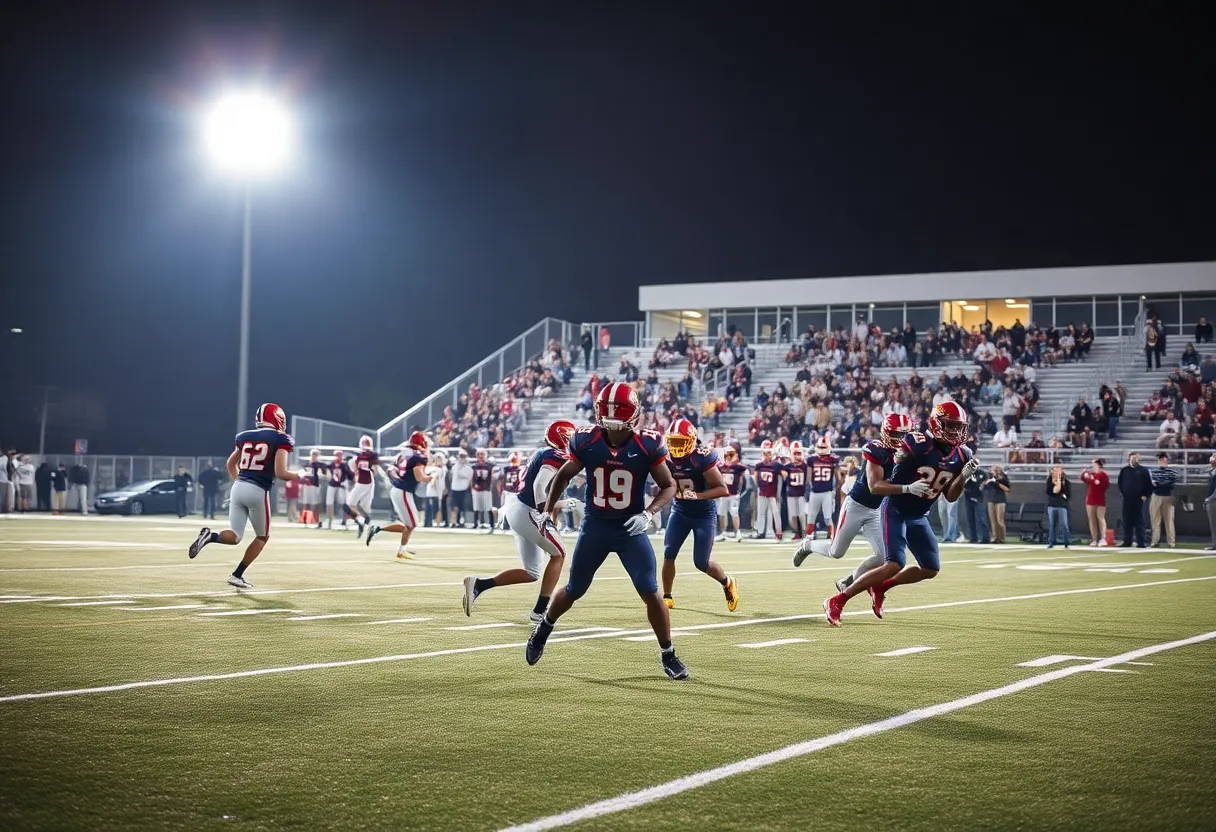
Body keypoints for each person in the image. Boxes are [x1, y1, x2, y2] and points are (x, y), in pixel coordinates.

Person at [525, 383, 686, 680]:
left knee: (650, 591)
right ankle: (543, 628)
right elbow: (564, 474)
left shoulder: (642, 444)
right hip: (597, 526)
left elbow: (668, 485)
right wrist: (548, 510)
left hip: (629, 529)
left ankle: (668, 653)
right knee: (575, 589)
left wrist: (647, 514)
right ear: (633, 414)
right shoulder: (589, 441)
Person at [824, 400, 974, 626]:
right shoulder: (917, 443)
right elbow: (886, 477)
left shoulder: (962, 454)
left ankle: (881, 586)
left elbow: (950, 496)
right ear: (936, 424)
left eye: (959, 427)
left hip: (919, 515)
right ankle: (837, 600)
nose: (956, 432)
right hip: (895, 509)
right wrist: (906, 484)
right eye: (951, 426)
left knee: (931, 568)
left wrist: (963, 477)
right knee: (894, 563)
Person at [463, 421, 578, 622]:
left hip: (517, 507)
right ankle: (540, 611)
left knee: (532, 572)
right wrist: (549, 508)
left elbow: (551, 488)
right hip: (528, 510)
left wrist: (552, 514)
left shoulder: (544, 452)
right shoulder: (557, 455)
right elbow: (539, 485)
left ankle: (479, 585)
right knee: (559, 554)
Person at [795, 414, 912, 593]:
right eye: (898, 435)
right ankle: (807, 545)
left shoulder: (905, 454)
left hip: (875, 510)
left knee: (883, 557)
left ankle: (848, 581)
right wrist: (907, 488)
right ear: (887, 433)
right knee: (836, 552)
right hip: (856, 506)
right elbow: (874, 487)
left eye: (905, 435)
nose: (901, 440)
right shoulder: (876, 449)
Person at [188, 403, 299, 588]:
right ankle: (237, 575)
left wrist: (240, 482)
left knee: (236, 535)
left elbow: (230, 465)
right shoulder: (281, 438)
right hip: (257, 490)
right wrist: (303, 475)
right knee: (262, 537)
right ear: (278, 418)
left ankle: (210, 537)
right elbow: (281, 473)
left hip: (238, 486)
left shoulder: (245, 437)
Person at [659, 418, 737, 611]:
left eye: (680, 442)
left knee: (701, 563)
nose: (676, 447)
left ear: (692, 441)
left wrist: (698, 495)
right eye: (673, 442)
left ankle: (727, 582)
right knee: (669, 553)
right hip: (680, 510)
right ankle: (667, 596)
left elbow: (722, 489)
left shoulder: (702, 457)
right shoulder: (665, 457)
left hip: (703, 513)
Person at [366, 432, 432, 559]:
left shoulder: (405, 454)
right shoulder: (418, 457)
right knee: (412, 523)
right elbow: (419, 476)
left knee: (409, 524)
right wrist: (429, 477)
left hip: (400, 490)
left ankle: (380, 532)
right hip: (403, 491)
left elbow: (393, 469)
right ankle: (401, 549)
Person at [345, 435, 379, 536]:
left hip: (363, 482)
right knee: (365, 507)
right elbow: (374, 471)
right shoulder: (366, 457)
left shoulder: (360, 457)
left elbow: (357, 471)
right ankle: (366, 525)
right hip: (369, 482)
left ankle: (361, 521)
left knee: (350, 503)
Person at [805, 438, 839, 538]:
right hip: (818, 492)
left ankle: (832, 535)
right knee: (812, 516)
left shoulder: (833, 459)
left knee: (827, 517)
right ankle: (809, 535)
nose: (822, 449)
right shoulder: (812, 459)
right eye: (820, 447)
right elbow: (838, 477)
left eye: (823, 447)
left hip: (825, 492)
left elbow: (808, 478)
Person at [1117, 452, 1152, 548]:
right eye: (1133, 457)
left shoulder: (1144, 470)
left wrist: (1145, 495)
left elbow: (1149, 484)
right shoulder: (1124, 470)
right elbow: (1120, 483)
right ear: (1129, 458)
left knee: (1139, 521)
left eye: (1136, 457)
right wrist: (1124, 493)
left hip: (1138, 499)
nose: (1135, 459)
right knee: (1127, 520)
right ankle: (1127, 541)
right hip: (1127, 499)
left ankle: (1141, 542)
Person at [751, 440, 783, 540]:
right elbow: (756, 478)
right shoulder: (759, 465)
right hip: (762, 491)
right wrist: (759, 487)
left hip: (772, 492)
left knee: (774, 512)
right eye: (764, 453)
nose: (766, 455)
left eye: (768, 453)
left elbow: (782, 478)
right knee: (761, 512)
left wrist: (778, 493)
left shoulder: (776, 465)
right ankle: (761, 532)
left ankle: (777, 531)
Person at [780, 441, 810, 539]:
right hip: (791, 494)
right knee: (792, 516)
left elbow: (808, 479)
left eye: (798, 453)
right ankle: (797, 532)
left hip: (801, 493)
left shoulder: (805, 466)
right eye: (795, 453)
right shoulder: (788, 467)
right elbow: (779, 470)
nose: (797, 456)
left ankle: (805, 532)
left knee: (802, 514)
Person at [716, 447, 747, 541]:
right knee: (722, 513)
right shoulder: (721, 467)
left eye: (730, 455)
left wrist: (734, 461)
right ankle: (723, 532)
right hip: (723, 494)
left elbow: (744, 469)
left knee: (734, 513)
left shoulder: (737, 467)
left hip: (733, 494)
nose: (728, 457)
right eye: (727, 455)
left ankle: (737, 532)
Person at [1148, 452, 1179, 547]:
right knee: (1155, 520)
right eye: (1160, 460)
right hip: (1156, 496)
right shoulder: (1153, 472)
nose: (1162, 462)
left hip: (1168, 497)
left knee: (1169, 520)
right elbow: (1152, 484)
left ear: (1167, 460)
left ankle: (1171, 542)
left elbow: (1171, 484)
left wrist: (1160, 484)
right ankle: (1155, 541)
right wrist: (1162, 484)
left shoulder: (1173, 472)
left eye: (1164, 460)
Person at [1079, 458, 1110, 546]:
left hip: (1100, 500)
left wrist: (1092, 479)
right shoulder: (1092, 474)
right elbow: (1083, 477)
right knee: (1092, 520)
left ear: (1099, 465)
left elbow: (1102, 485)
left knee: (1100, 518)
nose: (1093, 466)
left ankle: (1103, 538)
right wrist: (1085, 472)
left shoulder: (1103, 475)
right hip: (1090, 500)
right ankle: (1094, 539)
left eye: (1094, 464)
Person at [325, 450, 353, 529]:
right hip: (332, 485)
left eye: (339, 455)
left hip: (341, 485)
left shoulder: (344, 465)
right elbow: (326, 472)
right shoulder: (331, 464)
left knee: (343, 503)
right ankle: (329, 522)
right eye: (337, 455)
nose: (338, 457)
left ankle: (344, 520)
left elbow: (350, 475)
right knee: (329, 503)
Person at [983, 465, 1011, 543]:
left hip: (1000, 500)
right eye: (993, 470)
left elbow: (1007, 489)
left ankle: (1001, 537)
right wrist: (987, 482)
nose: (994, 471)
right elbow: (984, 487)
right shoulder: (990, 478)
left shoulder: (1003, 478)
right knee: (992, 520)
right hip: (991, 499)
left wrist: (996, 483)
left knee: (1000, 520)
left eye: (996, 470)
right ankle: (994, 537)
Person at [963, 464, 990, 543]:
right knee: (970, 519)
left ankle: (985, 538)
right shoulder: (966, 474)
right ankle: (973, 537)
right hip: (968, 498)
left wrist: (983, 484)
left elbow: (986, 479)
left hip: (979, 498)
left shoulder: (981, 472)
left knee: (981, 519)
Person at [1046, 465, 1071, 548]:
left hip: (1062, 505)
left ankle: (1066, 541)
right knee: (1052, 524)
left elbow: (1068, 494)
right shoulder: (1049, 481)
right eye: (1054, 471)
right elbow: (1050, 492)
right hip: (1052, 505)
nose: (1056, 472)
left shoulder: (1066, 482)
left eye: (1058, 471)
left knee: (1064, 524)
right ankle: (1052, 542)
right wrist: (1059, 493)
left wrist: (1060, 484)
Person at [470, 449, 496, 530]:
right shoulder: (474, 466)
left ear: (486, 456)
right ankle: (475, 523)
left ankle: (492, 524)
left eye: (482, 454)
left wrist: (490, 486)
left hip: (486, 488)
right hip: (476, 488)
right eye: (479, 454)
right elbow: (472, 478)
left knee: (488, 506)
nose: (480, 456)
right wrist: (472, 487)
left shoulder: (490, 466)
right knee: (476, 507)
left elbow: (492, 477)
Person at [448, 449, 474, 528]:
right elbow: (453, 475)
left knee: (463, 507)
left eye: (464, 456)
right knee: (454, 507)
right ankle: (453, 522)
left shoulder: (469, 468)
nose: (462, 458)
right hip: (455, 489)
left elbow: (470, 480)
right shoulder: (455, 467)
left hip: (464, 489)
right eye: (461, 456)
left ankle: (462, 521)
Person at [1204, 452, 1216, 550]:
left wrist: (1209, 498)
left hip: (1214, 500)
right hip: (1211, 500)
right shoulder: (1212, 472)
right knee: (1213, 524)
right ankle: (1215, 543)